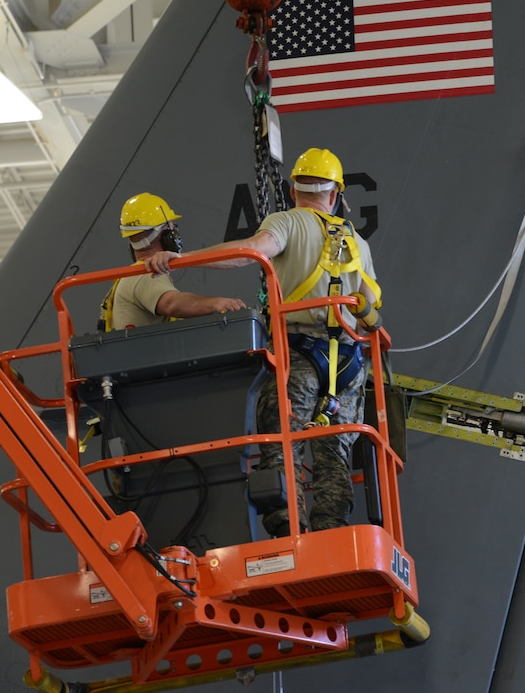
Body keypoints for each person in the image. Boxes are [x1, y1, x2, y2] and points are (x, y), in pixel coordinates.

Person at [144, 149, 381, 536]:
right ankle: (331, 533)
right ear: (336, 194)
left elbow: (251, 252)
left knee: (280, 440)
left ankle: (289, 527)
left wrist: (180, 260)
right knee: (335, 450)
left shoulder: (286, 221)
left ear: (292, 191)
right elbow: (370, 307)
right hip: (348, 364)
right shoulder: (358, 243)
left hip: (300, 352)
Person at [100, 192, 247, 331]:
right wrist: (218, 303)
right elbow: (172, 304)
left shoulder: (132, 276)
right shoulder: (145, 276)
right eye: (171, 227)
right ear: (168, 236)